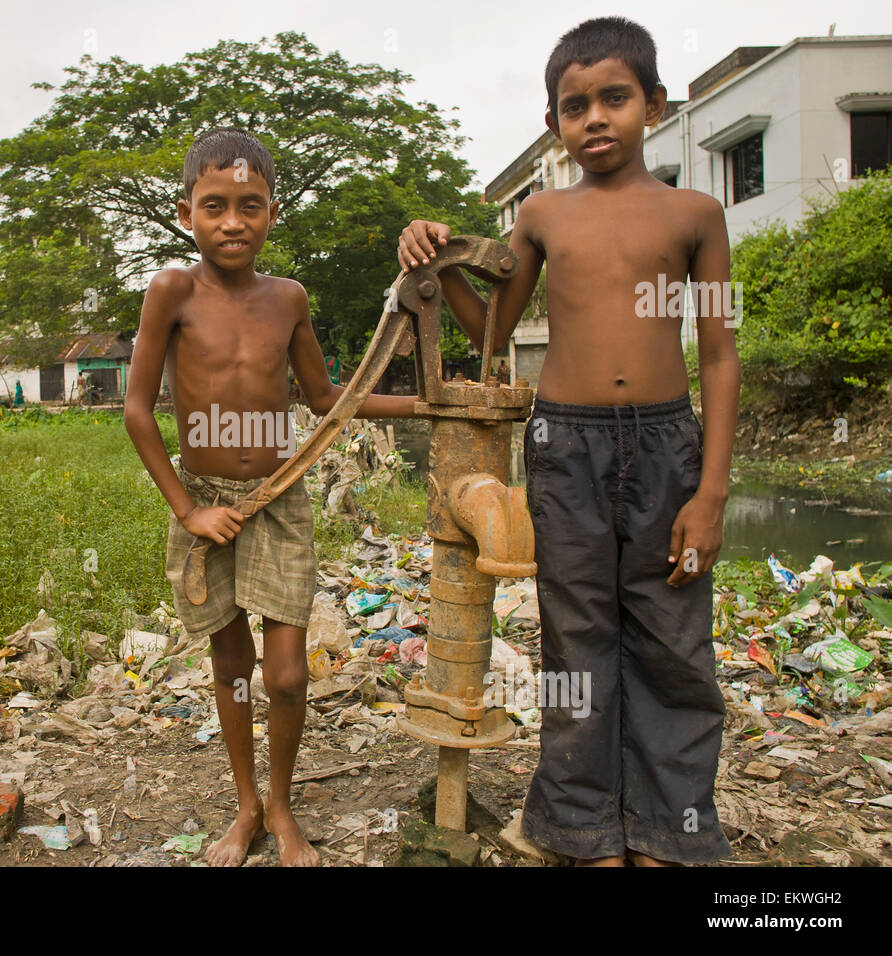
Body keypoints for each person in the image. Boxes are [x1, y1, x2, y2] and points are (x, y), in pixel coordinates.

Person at [399, 16, 739, 867]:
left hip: (667, 446)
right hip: (566, 445)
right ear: (553, 123)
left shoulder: (695, 213)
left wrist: (711, 494)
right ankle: (582, 826)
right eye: (574, 105)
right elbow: (494, 337)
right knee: (575, 635)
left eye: (614, 99)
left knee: (672, 637)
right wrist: (434, 268)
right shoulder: (544, 214)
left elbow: (723, 356)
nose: (595, 118)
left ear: (654, 105)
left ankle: (674, 829)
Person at [124, 128, 421, 866]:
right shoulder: (171, 291)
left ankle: (284, 808)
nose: (232, 222)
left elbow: (324, 397)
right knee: (233, 669)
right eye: (215, 206)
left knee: (287, 675)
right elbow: (135, 409)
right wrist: (188, 510)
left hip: (278, 497)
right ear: (187, 211)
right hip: (205, 503)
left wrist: (425, 407)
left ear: (272, 213)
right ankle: (246, 807)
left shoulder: (287, 298)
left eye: (249, 206)